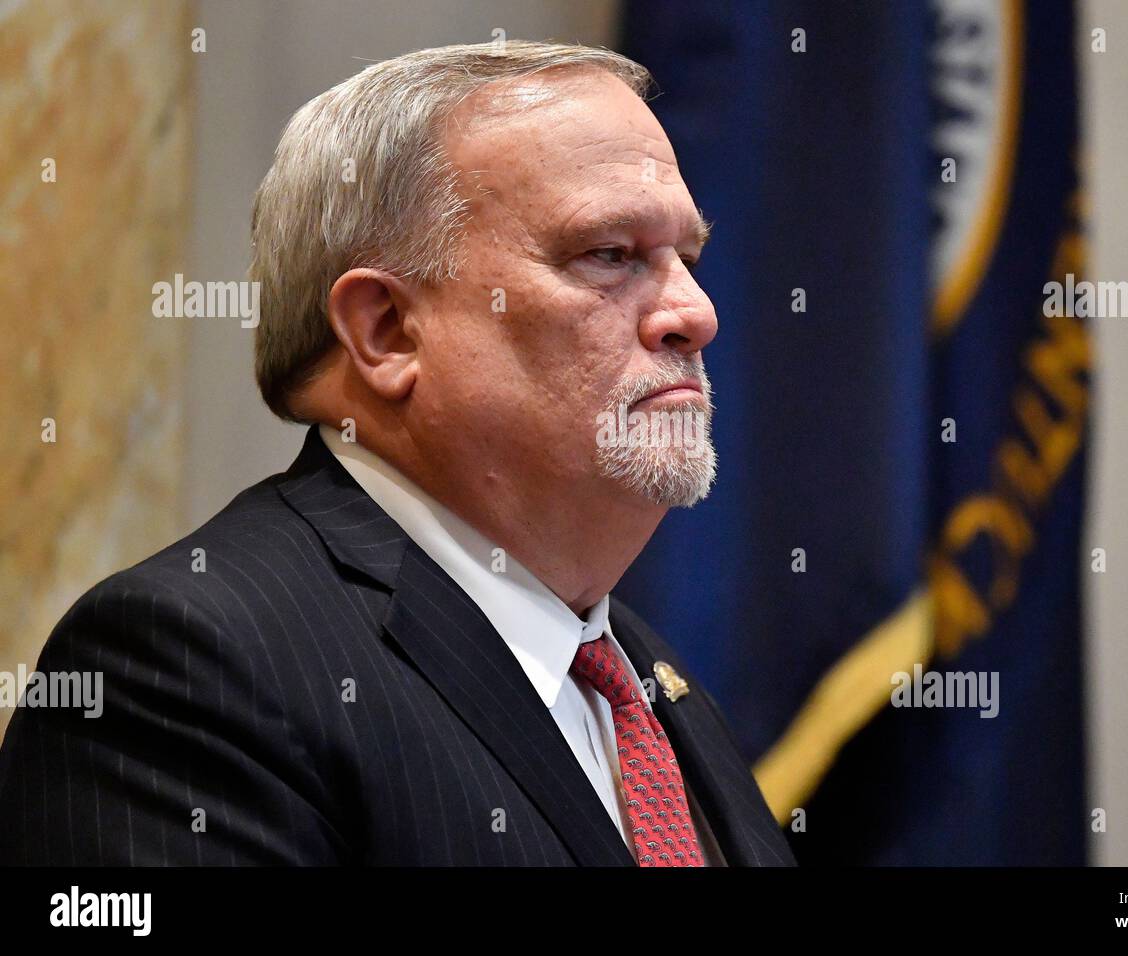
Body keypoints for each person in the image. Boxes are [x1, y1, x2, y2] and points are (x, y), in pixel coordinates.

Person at [0, 40, 795, 867]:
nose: (694, 312)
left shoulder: (646, 679)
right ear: (384, 331)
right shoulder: (190, 665)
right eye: (609, 254)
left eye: (687, 258)